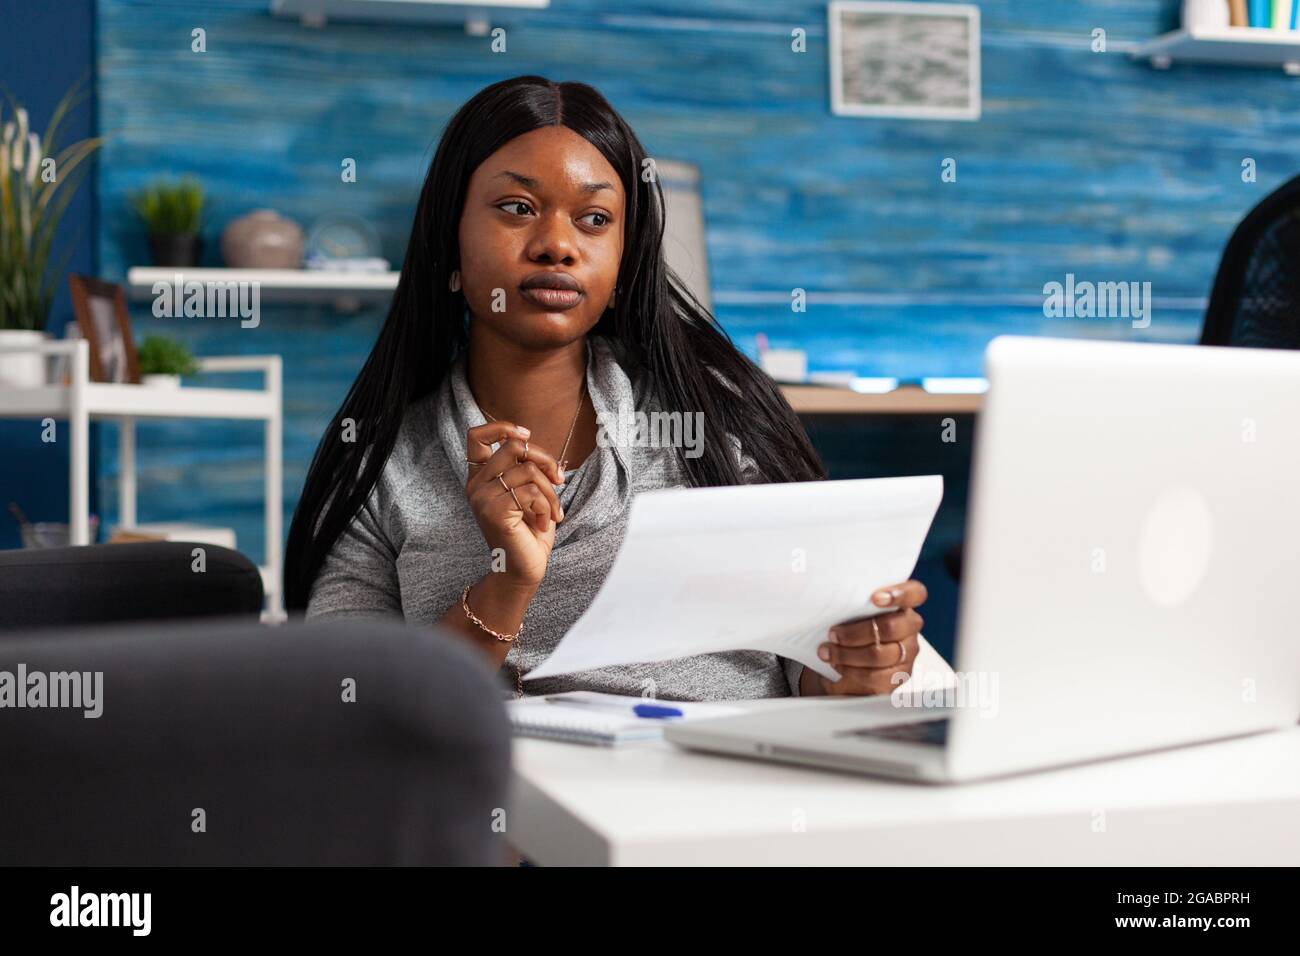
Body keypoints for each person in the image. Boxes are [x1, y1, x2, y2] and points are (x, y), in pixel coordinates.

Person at [285, 75, 928, 701]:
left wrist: (849, 667)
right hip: (518, 800)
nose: (557, 245)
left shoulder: (715, 418)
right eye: (517, 208)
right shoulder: (380, 465)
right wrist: (506, 584)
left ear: (623, 263)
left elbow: (805, 663)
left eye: (594, 219)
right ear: (448, 245)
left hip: (731, 788)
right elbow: (353, 707)